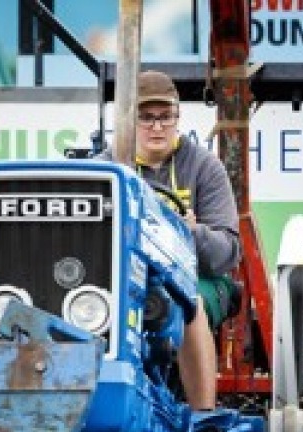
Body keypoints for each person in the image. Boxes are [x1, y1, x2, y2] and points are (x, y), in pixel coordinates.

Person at [129, 70, 243, 410]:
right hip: (127, 279)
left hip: (200, 278)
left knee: (186, 303)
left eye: (166, 117)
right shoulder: (108, 166)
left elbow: (228, 252)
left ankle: (202, 414)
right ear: (128, 120)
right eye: (146, 117)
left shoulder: (205, 167)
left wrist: (189, 233)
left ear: (178, 117)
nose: (157, 126)